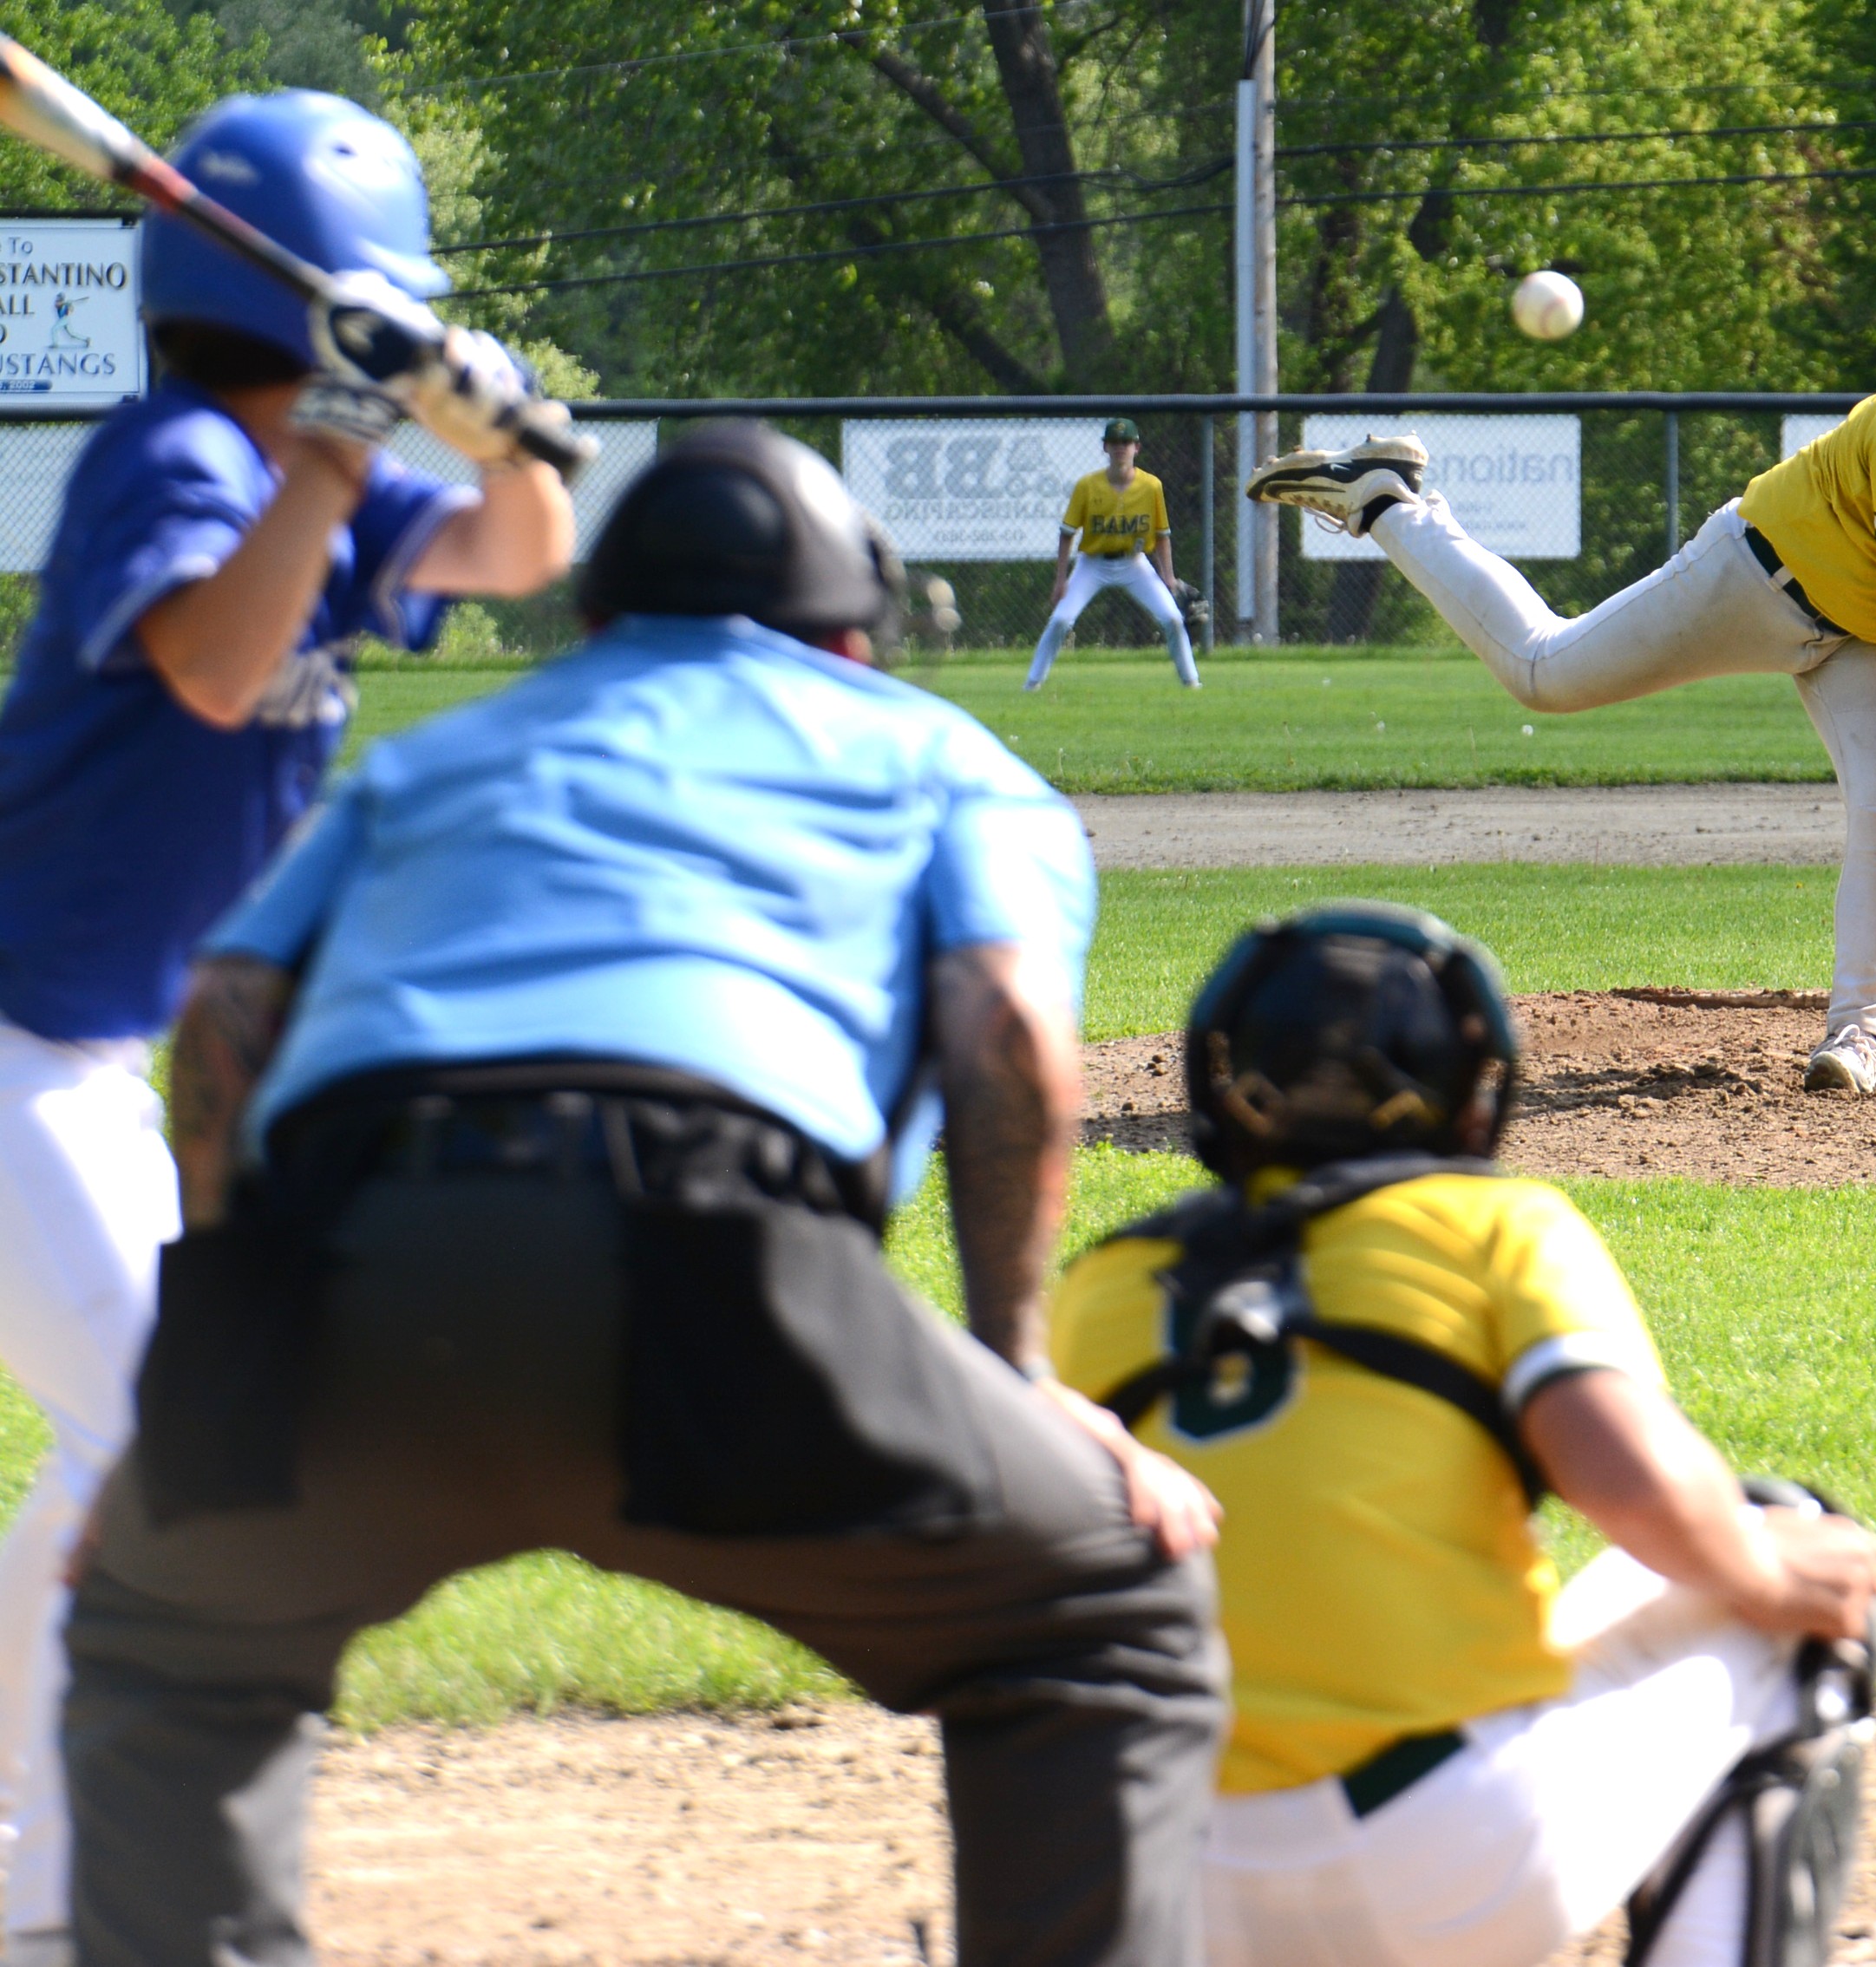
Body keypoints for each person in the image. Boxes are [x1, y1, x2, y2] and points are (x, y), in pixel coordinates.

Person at [57, 422, 1226, 1967]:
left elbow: (219, 1014)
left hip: (355, 1260)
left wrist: (219, 1372)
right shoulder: (940, 755)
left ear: (593, 616)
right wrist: (1014, 1371)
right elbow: (1006, 1025)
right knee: (1102, 1620)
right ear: (854, 635)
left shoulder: (433, 756)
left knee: (169, 1638)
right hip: (717, 1258)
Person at [0, 89, 577, 1963]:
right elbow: (215, 660)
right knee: (164, 1426)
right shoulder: (175, 459)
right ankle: (41, 1874)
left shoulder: (327, 470)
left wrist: (492, 420)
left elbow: (522, 552)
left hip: (79, 1053)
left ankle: (29, 1839)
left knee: (161, 1425)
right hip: (13, 1042)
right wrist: (343, 425)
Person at [1050, 902, 1876, 1967]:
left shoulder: (1105, 1283)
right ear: (1469, 1089)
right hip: (1449, 1859)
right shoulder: (1494, 1224)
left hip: (1157, 1880)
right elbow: (1630, 1485)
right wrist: (1772, 1577)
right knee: (1789, 1537)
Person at [1246, 206, 1876, 1095]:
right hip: (1762, 578)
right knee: (1545, 672)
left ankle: (1861, 1038)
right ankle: (1392, 500)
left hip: (1866, 634)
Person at [1028, 416, 1199, 690]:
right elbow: (1067, 534)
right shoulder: (1087, 485)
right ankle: (1033, 682)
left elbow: (1161, 535)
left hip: (1134, 563)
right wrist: (1060, 580)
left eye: (1126, 443)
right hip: (1092, 564)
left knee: (1172, 619)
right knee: (1061, 619)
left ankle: (1191, 682)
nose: (1121, 448)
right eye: (1115, 443)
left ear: (1137, 448)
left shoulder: (1151, 486)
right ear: (1105, 448)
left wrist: (1169, 577)